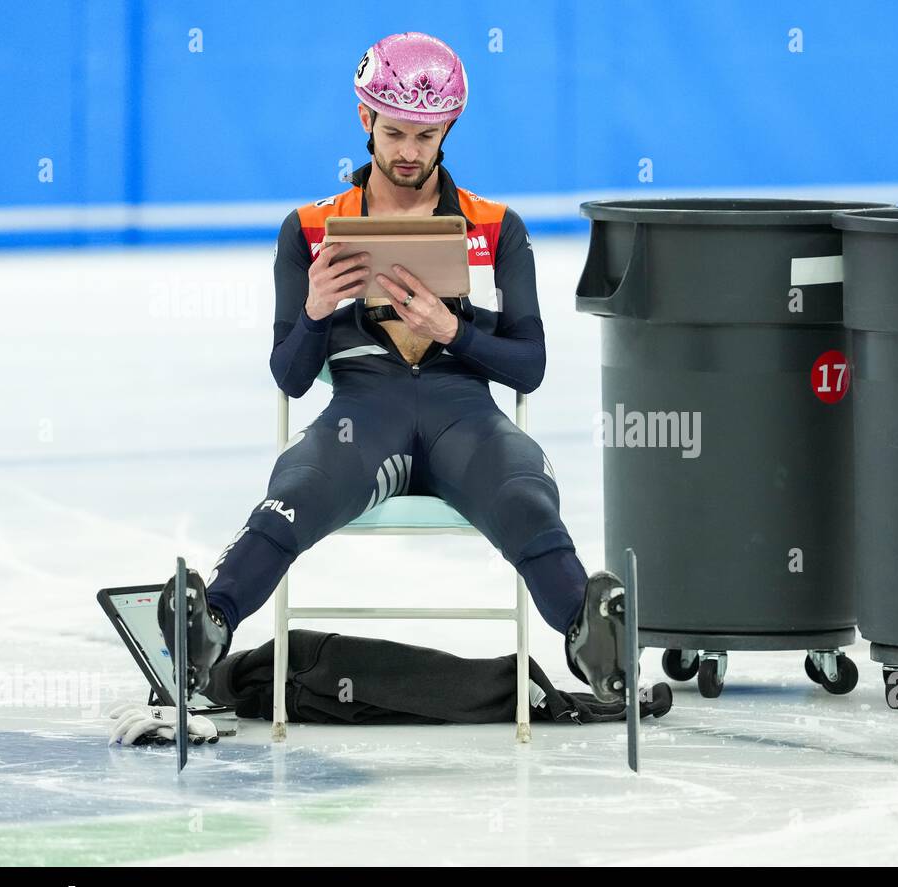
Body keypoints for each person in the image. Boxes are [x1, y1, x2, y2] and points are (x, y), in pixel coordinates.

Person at [158, 32, 628, 704]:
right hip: (361, 417)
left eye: (427, 136)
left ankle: (592, 638)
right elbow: (290, 379)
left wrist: (452, 330)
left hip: (463, 416)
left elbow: (529, 368)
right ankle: (207, 629)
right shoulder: (311, 226)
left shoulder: (497, 226)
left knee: (526, 498)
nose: (409, 152)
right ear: (364, 119)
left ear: (449, 129)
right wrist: (317, 309)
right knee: (296, 491)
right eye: (396, 132)